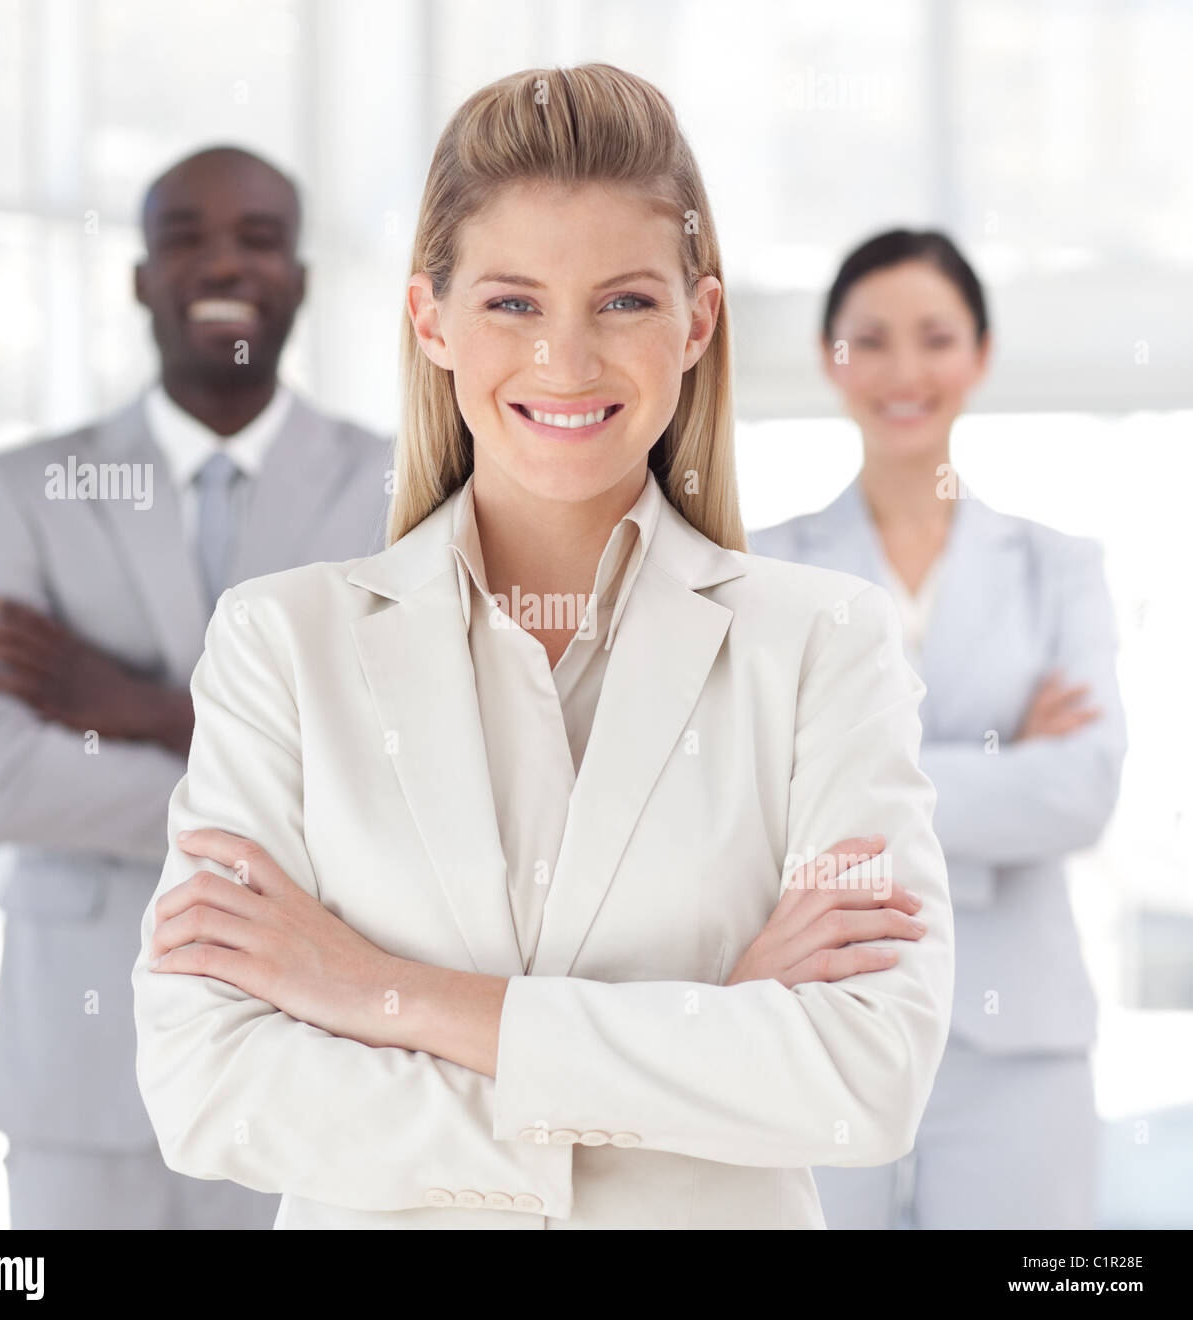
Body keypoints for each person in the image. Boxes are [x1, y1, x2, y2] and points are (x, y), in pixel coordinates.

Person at [132, 66, 954, 1230]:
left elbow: (864, 1080)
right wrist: (705, 1037)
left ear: (696, 321)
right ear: (432, 320)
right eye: (512, 303)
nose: (565, 362)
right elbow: (210, 1088)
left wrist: (374, 992)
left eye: (622, 302)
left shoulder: (824, 645)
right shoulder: (283, 644)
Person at [0, 145, 392, 1229]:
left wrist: (146, 708)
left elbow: (405, 771)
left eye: (258, 237)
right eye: (184, 237)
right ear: (141, 277)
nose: (221, 262)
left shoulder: (401, 485)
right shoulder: (26, 490)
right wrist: (277, 782)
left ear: (302, 279)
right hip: (79, 1077)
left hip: (319, 1062)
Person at [748, 229, 1127, 1229]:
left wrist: (857, 780)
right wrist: (1005, 761)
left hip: (1018, 1036)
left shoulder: (1057, 564)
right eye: (869, 339)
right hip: (827, 1013)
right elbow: (757, 801)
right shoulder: (767, 569)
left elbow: (1082, 789)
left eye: (935, 337)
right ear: (831, 359)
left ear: (980, 354)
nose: (904, 371)